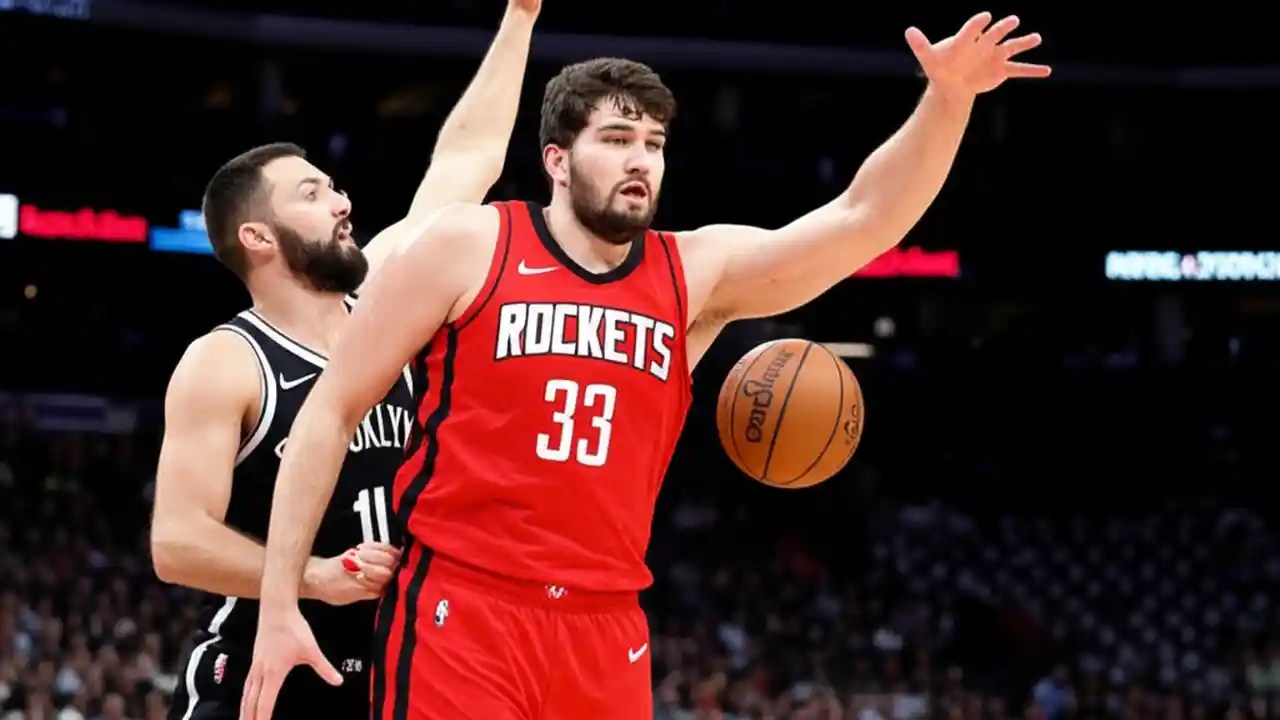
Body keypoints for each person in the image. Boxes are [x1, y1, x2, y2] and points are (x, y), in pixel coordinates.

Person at [241, 11, 1050, 720]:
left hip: (606, 623)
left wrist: (948, 102)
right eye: (617, 140)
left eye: (655, 144)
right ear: (558, 159)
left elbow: (862, 221)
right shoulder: (468, 246)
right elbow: (330, 411)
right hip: (464, 606)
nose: (641, 161)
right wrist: (281, 598)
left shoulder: (694, 275)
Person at [149, 2, 542, 718]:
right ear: (258, 237)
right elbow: (176, 543)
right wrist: (312, 577)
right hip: (265, 668)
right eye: (312, 192)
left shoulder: (386, 299)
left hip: (395, 667)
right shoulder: (228, 361)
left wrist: (520, 16)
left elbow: (465, 163)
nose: (341, 201)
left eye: (333, 185)